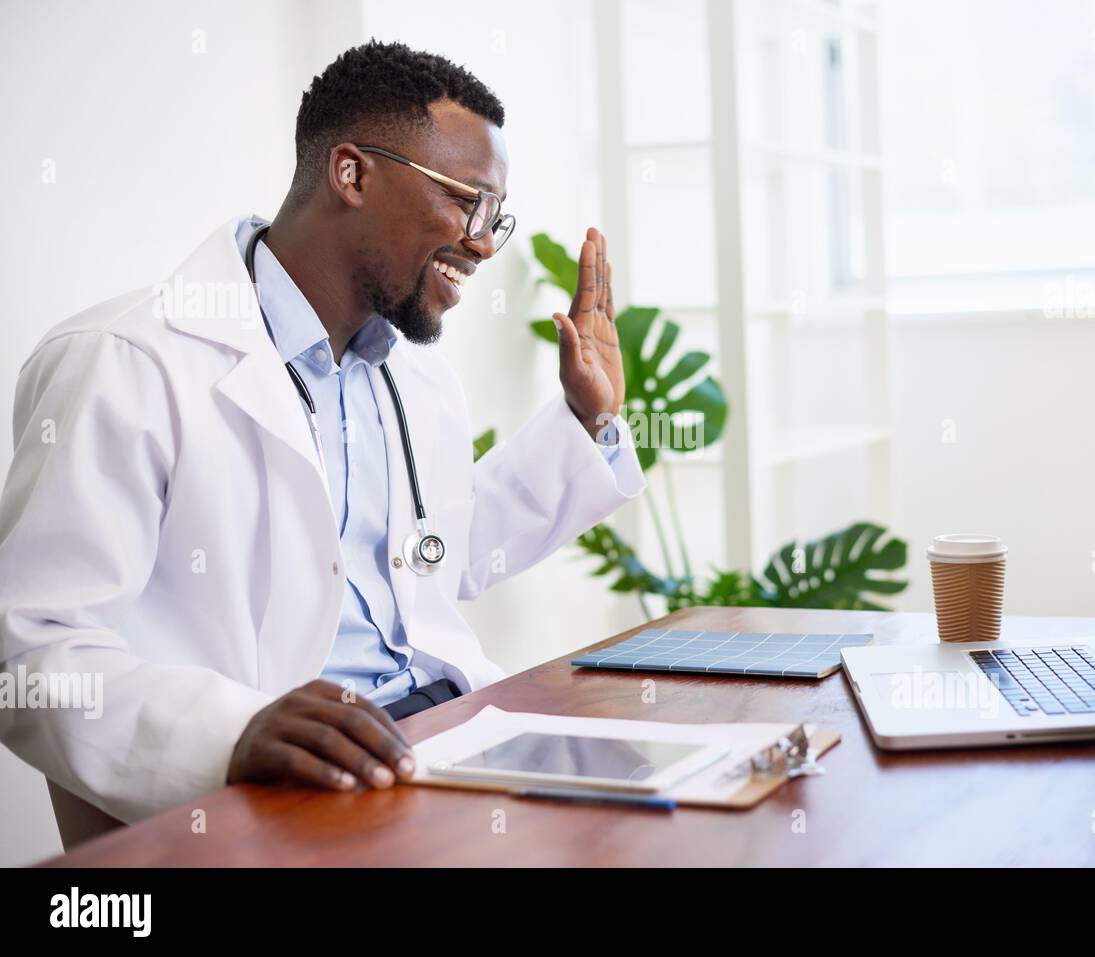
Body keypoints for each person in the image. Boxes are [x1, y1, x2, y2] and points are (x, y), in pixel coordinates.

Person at [0, 40, 644, 837]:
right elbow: (30, 652)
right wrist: (229, 732)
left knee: (665, 817)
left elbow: (444, 555)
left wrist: (589, 420)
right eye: (467, 202)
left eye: (495, 217)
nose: (482, 241)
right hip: (302, 790)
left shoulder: (410, 374)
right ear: (351, 174)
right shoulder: (126, 361)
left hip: (448, 741)